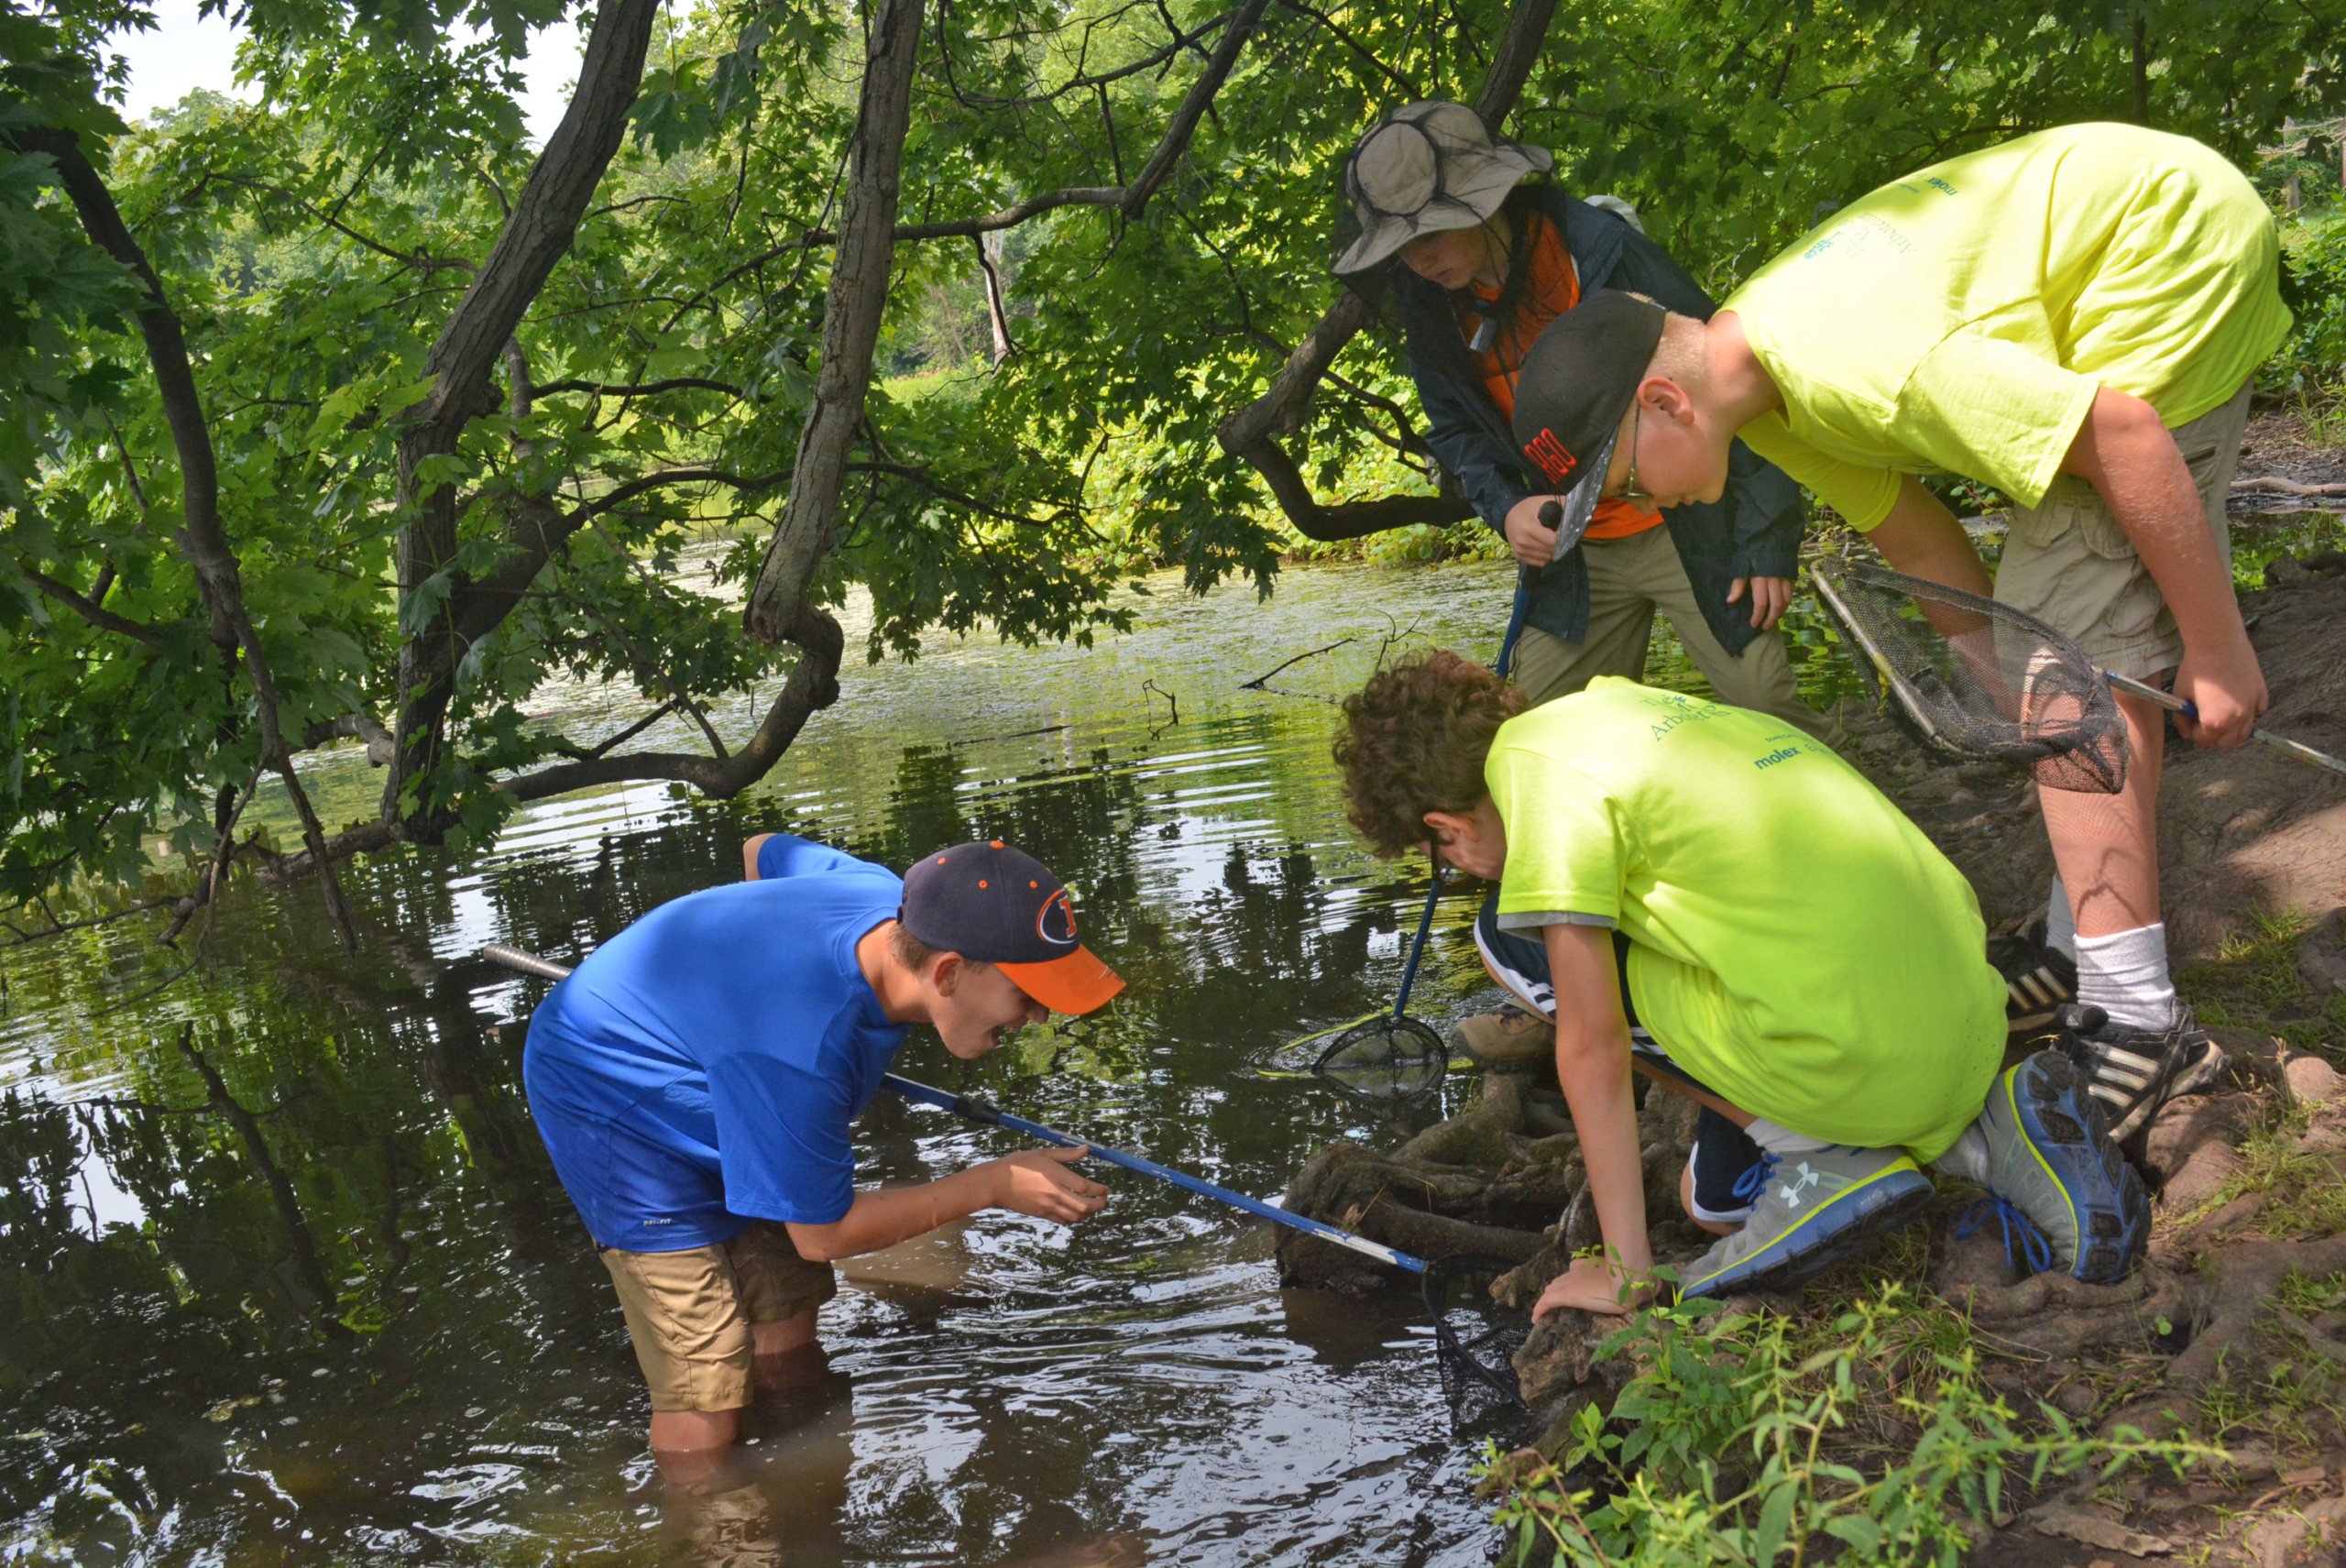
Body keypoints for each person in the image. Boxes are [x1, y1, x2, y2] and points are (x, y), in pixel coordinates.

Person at [1496, 123, 2292, 1137]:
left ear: (1663, 402)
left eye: (1623, 483)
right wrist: (1984, 675)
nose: (1641, 505)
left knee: (2069, 652)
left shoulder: (1853, 366)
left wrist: (2217, 650)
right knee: (2047, 672)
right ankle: (2074, 947)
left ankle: (2140, 1024)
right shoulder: (1771, 402)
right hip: (2133, 228)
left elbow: (2120, 432)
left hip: (2170, 241)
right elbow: (1916, 535)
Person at [1331, 651, 2148, 1314]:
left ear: (1444, 826)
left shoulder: (1538, 788)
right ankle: (1988, 1132)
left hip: (1851, 1050)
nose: (1456, 869)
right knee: (1711, 1204)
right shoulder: (1614, 705)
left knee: (1506, 937)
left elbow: (1592, 1045)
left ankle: (1820, 1154)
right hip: (1968, 1014)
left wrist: (1625, 1269)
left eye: (1440, 859)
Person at [521, 832, 1124, 1478]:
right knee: (707, 1376)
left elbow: (762, 849)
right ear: (947, 971)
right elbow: (822, 1232)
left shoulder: (891, 899)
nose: (1037, 1016)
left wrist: (732, 999)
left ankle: (794, 1458)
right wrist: (991, 1183)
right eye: (1026, 995)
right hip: (609, 1103)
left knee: (787, 1311)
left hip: (744, 1075)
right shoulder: (798, 1051)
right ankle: (705, 1521)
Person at [1332, 101, 1818, 730]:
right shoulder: (1428, 311)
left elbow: (1728, 379)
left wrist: (1767, 540)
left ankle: (1873, 820)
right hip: (1577, 555)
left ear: (1488, 200)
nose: (1421, 260)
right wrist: (1506, 507)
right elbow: (1453, 432)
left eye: (1434, 233)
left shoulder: (1601, 252)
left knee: (1769, 711)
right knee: (1537, 736)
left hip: (1689, 527)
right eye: (1404, 247)